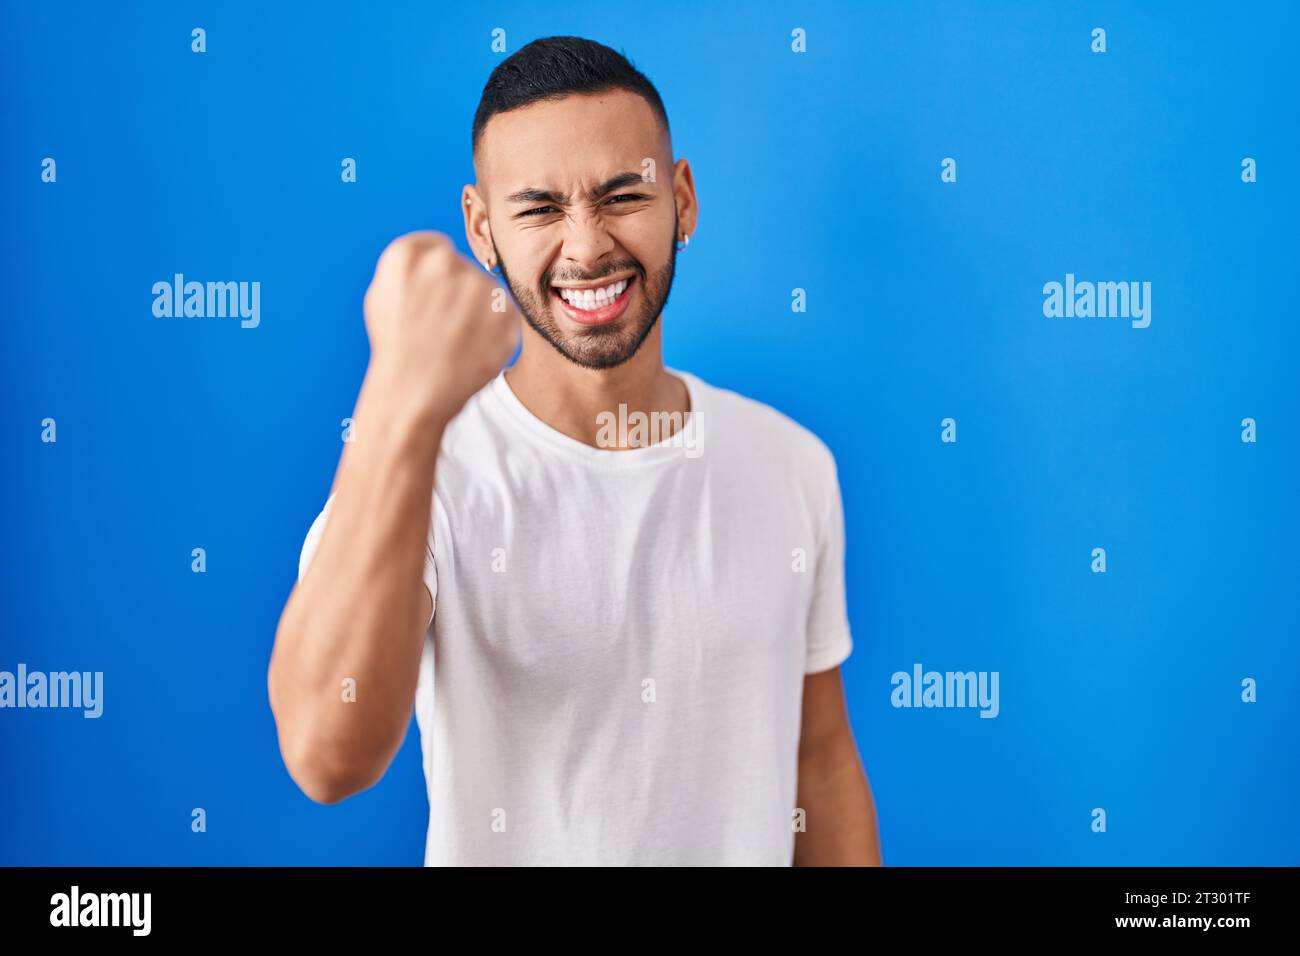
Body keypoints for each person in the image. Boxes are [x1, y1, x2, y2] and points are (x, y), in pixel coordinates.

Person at [268, 35, 882, 866]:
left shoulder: (792, 463)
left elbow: (820, 763)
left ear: (684, 200)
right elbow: (325, 754)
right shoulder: (426, 474)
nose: (587, 246)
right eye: (540, 208)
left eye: (622, 194)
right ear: (482, 230)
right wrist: (398, 401)